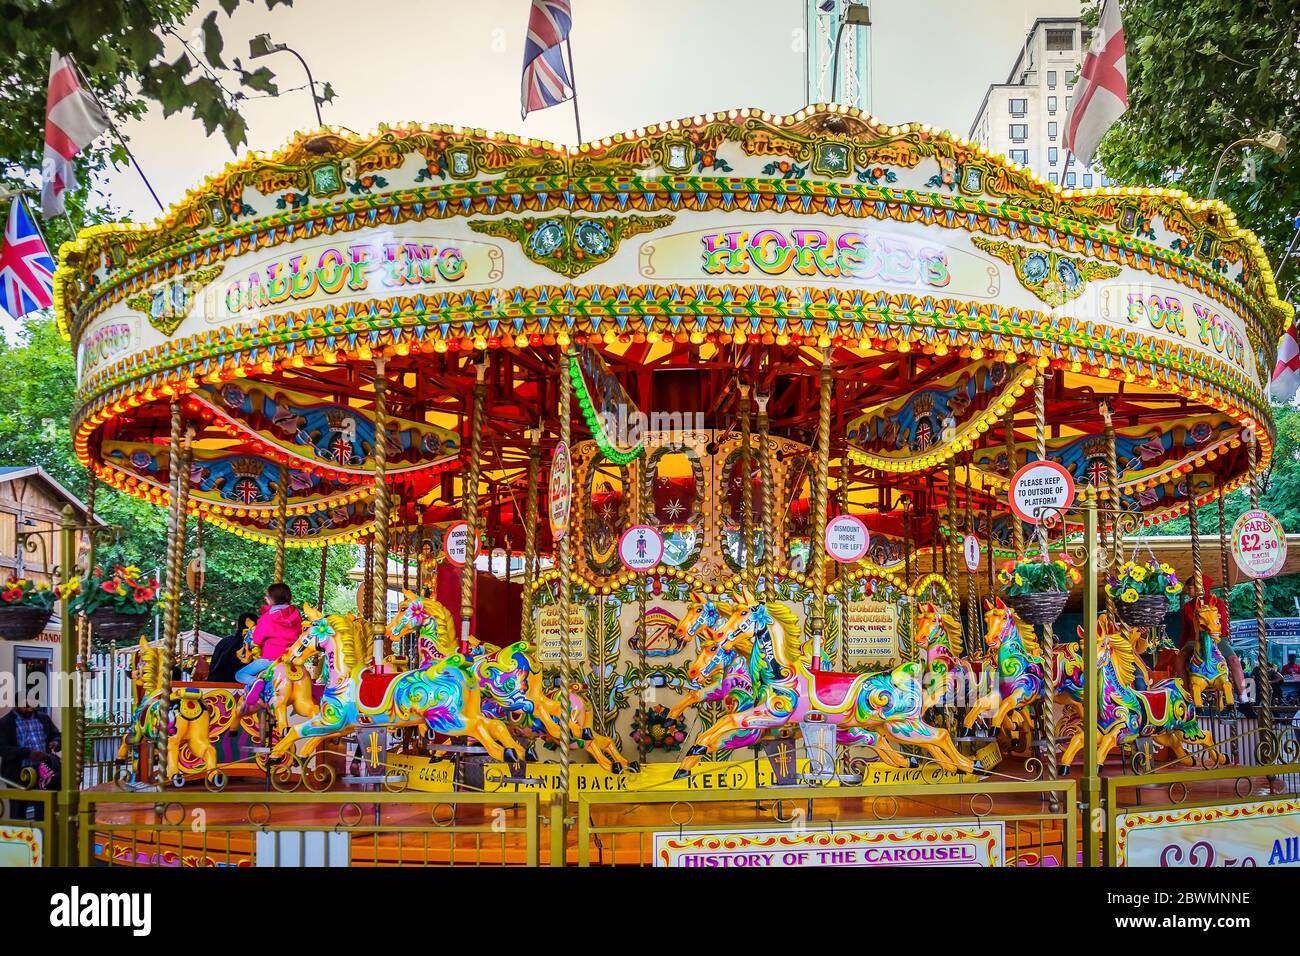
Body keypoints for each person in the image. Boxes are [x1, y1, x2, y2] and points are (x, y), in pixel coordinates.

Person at [1175, 574, 1245, 706]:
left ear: (1199, 588)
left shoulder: (1218, 603)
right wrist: (1181, 647)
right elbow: (1185, 630)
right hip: (1194, 640)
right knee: (1179, 658)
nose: (1187, 591)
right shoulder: (1188, 607)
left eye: (1190, 588)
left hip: (1216, 638)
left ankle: (1244, 698)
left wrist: (1216, 635)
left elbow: (1223, 624)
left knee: (1234, 660)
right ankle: (1187, 692)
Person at [235, 583, 303, 703]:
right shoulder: (296, 615)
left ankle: (255, 682)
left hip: (270, 660)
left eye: (267, 596)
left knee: (240, 674)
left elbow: (257, 639)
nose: (265, 598)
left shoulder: (268, 617)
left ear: (273, 598)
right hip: (291, 659)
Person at [0, 704, 60, 820]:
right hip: (18, 773)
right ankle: (19, 837)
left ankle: (42, 836)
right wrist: (27, 753)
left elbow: (56, 735)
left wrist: (56, 742)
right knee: (18, 811)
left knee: (44, 809)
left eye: (32, 706)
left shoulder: (43, 718)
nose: (30, 709)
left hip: (43, 770)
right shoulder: (5, 723)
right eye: (26, 707)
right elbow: (3, 749)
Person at [207, 612, 258, 684]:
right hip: (231, 686)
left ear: (238, 625)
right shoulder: (246, 644)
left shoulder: (225, 640)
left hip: (212, 683)